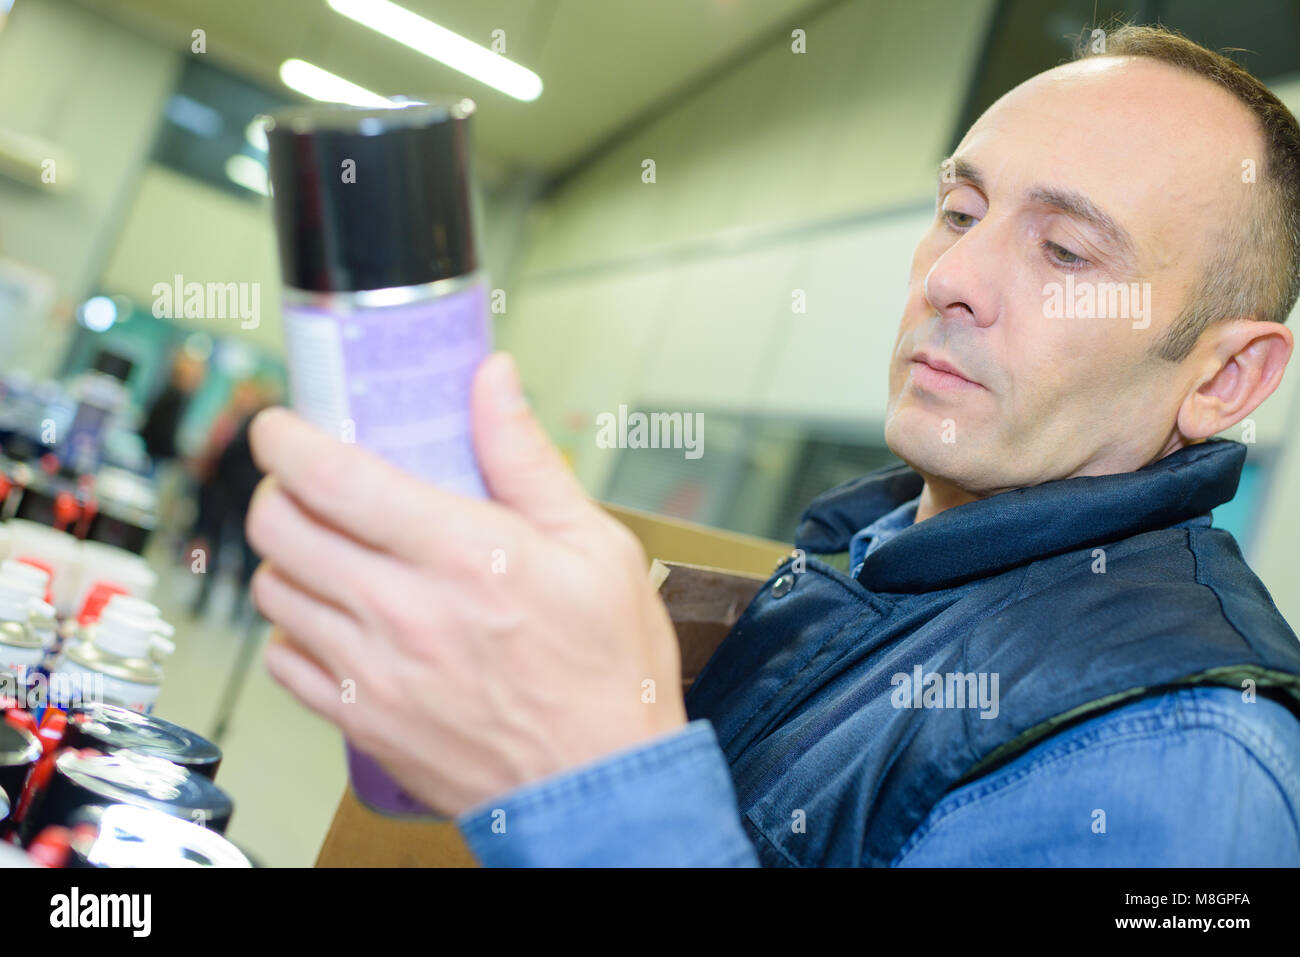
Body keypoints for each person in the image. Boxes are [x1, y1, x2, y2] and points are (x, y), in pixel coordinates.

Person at [244, 24, 1300, 865]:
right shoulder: (859, 564)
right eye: (959, 209)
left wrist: (598, 787)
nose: (952, 277)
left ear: (1223, 378)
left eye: (1066, 251)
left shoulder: (1177, 760)